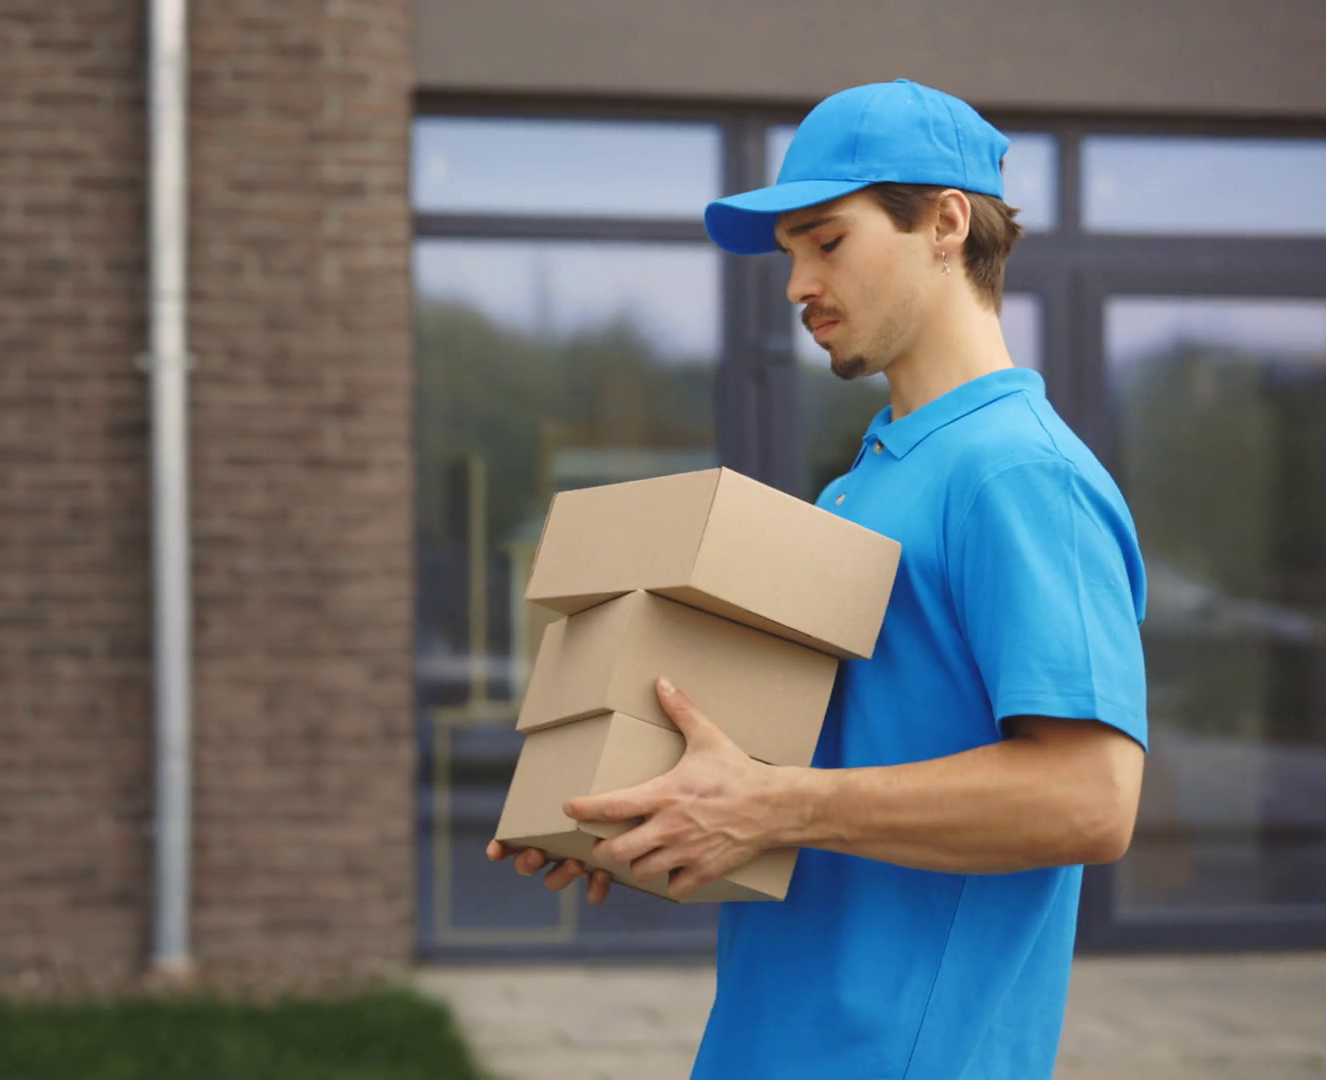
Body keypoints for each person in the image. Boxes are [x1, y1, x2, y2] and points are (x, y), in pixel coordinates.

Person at [487, 79, 1148, 1079]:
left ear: (946, 224)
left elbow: (1091, 799)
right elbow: (825, 764)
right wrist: (637, 807)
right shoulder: (869, 479)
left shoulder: (1019, 473)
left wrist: (771, 807)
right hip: (774, 1039)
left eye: (827, 242)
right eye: (789, 253)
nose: (797, 284)